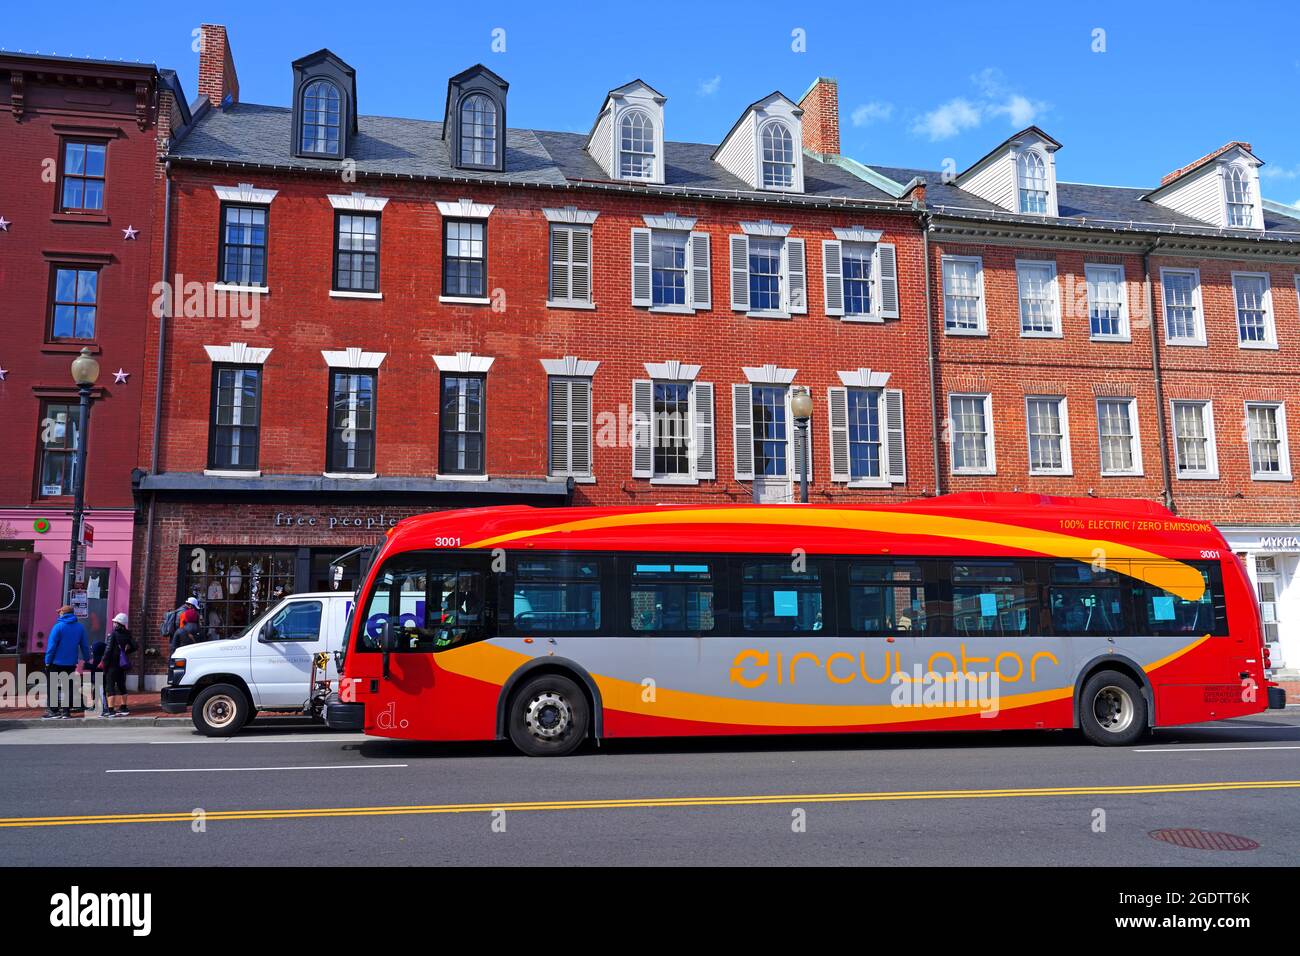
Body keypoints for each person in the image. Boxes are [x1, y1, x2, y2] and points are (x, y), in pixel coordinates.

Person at [43, 606, 89, 720]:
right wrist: (87, 658)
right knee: (68, 687)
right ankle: (66, 711)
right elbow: (84, 645)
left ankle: (53, 711)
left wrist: (47, 661)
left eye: (60, 613)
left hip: (55, 662)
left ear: (63, 614)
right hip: (70, 662)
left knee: (52, 686)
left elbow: (52, 646)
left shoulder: (58, 627)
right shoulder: (80, 627)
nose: (59, 614)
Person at [103, 613, 137, 718]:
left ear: (118, 623)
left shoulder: (113, 634)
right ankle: (124, 707)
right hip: (122, 664)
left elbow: (108, 650)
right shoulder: (128, 634)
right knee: (122, 685)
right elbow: (135, 646)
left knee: (110, 686)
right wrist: (126, 652)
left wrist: (103, 661)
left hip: (112, 663)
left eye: (115, 622)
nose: (113, 623)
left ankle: (111, 710)